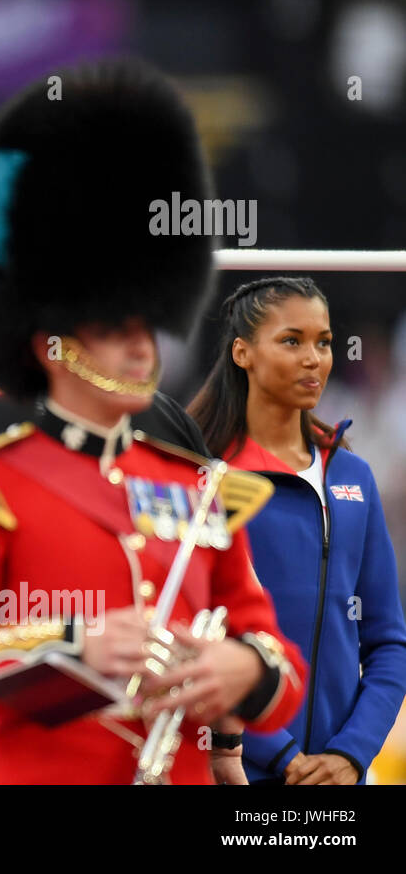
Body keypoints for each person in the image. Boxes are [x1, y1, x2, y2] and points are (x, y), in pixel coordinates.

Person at [0, 59, 307, 784]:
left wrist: (245, 670)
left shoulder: (201, 490)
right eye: (116, 327)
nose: (145, 346)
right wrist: (69, 648)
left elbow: (278, 662)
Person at [188, 277, 406, 785]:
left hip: (342, 776)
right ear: (243, 352)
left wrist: (351, 755)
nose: (314, 358)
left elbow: (388, 642)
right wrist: (282, 754)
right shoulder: (207, 481)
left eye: (324, 342)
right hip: (236, 769)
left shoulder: (353, 476)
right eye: (292, 341)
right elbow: (193, 640)